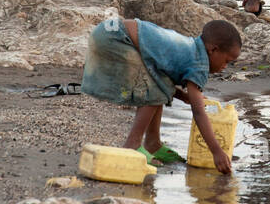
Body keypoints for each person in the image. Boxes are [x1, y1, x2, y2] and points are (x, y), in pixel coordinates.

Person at [81, 16, 241, 174]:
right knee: (152, 90)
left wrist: (184, 96)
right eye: (226, 61)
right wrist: (217, 152)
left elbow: (164, 81)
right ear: (213, 50)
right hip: (117, 38)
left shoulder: (190, 47)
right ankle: (133, 145)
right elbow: (199, 113)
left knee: (157, 86)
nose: (224, 67)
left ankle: (153, 144)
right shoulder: (199, 64)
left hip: (109, 29)